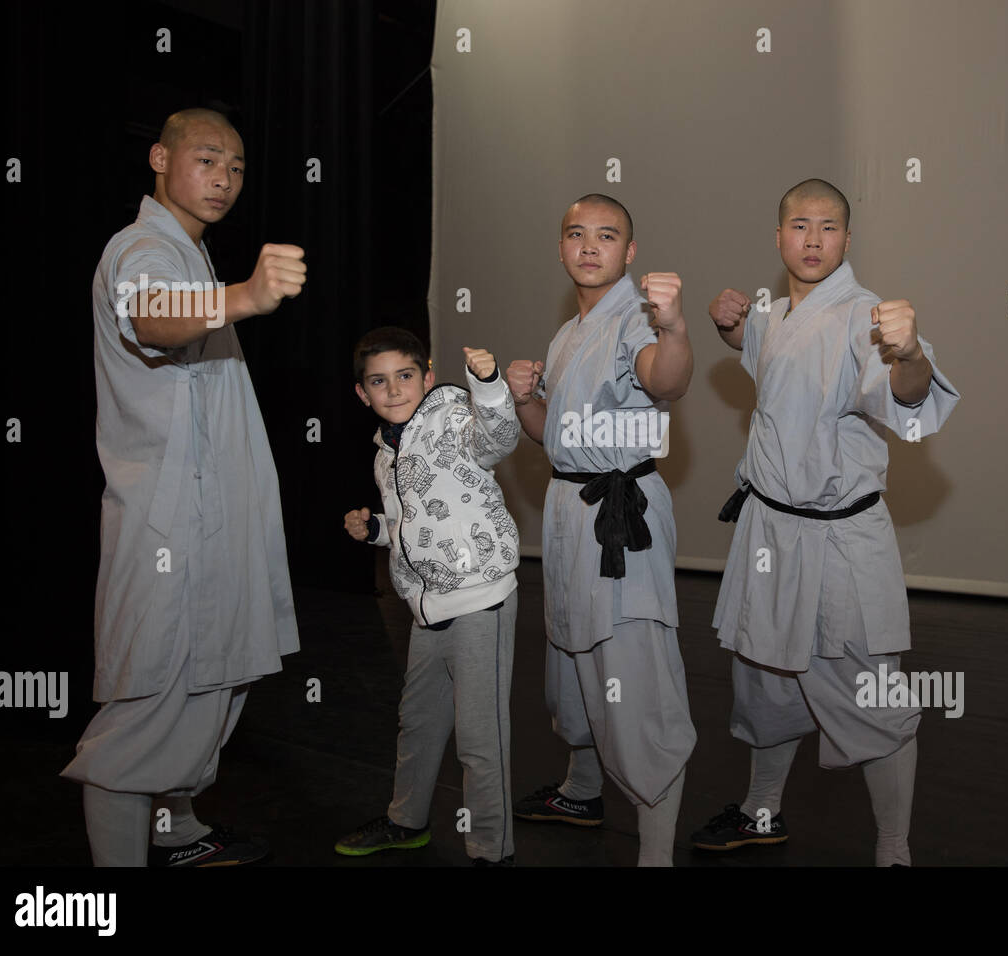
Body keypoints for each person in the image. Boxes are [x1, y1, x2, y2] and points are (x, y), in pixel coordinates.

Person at [62, 108, 305, 867]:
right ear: (161, 160)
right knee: (145, 712)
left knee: (213, 684)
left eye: (236, 167)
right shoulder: (141, 249)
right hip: (170, 528)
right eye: (207, 161)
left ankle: (176, 835)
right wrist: (245, 297)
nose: (225, 180)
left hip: (212, 522)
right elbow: (152, 316)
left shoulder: (188, 256)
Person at [691, 179, 959, 865]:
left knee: (871, 696)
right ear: (779, 237)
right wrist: (730, 326)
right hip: (768, 534)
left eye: (829, 227)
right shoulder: (777, 313)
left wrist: (911, 354)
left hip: (840, 538)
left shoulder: (868, 317)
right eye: (800, 226)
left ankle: (894, 850)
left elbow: (904, 400)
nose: (814, 240)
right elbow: (773, 369)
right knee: (767, 683)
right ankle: (760, 813)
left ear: (847, 239)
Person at [506, 195, 696, 866]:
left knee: (632, 670)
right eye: (577, 235)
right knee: (571, 661)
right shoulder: (567, 333)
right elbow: (550, 440)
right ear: (561, 249)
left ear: (629, 251)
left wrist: (673, 328)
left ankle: (655, 852)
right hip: (567, 511)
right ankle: (583, 793)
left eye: (607, 235)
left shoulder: (637, 320)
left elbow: (665, 381)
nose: (591, 246)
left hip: (621, 518)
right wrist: (527, 397)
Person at [335, 328, 521, 865]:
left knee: (481, 742)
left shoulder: (453, 416)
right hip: (425, 608)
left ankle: (492, 850)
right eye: (379, 381)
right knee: (417, 724)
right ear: (362, 394)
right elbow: (409, 528)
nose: (394, 390)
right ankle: (406, 821)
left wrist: (487, 384)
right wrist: (373, 532)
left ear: (429, 376)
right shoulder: (384, 452)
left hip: (479, 600)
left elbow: (497, 439)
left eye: (405, 376)